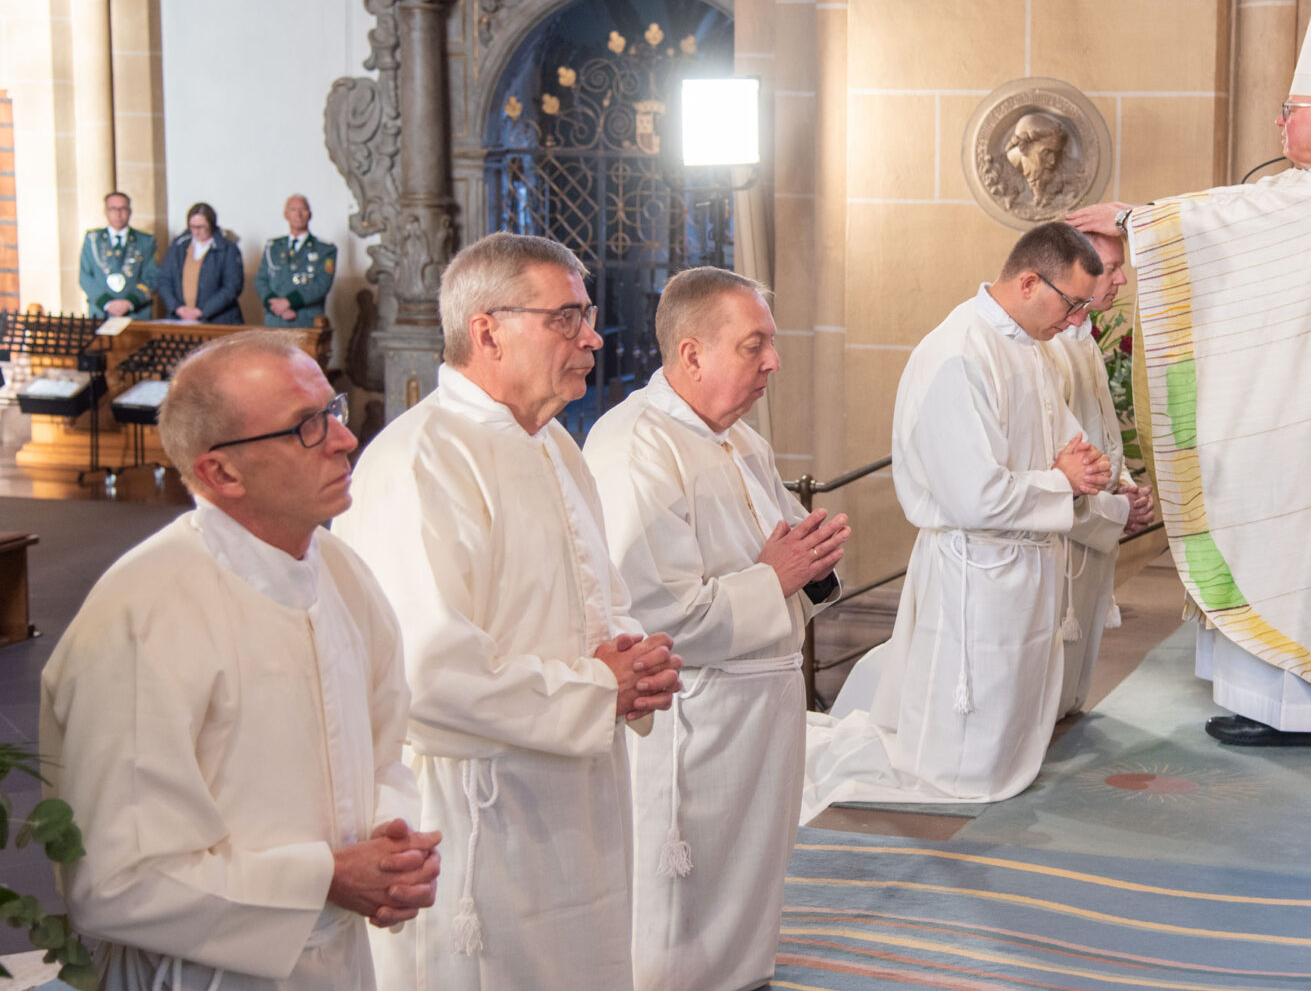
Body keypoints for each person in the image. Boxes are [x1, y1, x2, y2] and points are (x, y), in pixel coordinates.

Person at [332, 232, 683, 990]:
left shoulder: (555, 444)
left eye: (586, 316)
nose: (592, 336)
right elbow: (428, 670)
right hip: (479, 806)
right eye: (565, 318)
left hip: (575, 787)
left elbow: (599, 596)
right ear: (486, 330)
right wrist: (600, 689)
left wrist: (634, 659)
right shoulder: (418, 462)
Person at [39, 330, 440, 990]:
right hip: (205, 972)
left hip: (335, 957)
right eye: (307, 427)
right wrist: (327, 877)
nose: (345, 439)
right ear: (220, 473)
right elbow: (114, 882)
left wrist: (386, 844)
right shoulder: (145, 615)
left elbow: (385, 742)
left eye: (332, 411)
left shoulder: (340, 571)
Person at [1067, 14, 1311, 747]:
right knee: (1276, 541)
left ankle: (1296, 712)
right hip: (1305, 400)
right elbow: (1259, 224)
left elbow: (1253, 220)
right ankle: (1266, 702)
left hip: (1309, 419)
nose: (1281, 123)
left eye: (1290, 112)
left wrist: (1138, 219)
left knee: (1288, 546)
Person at [800, 221, 1123, 823]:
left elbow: (1065, 444)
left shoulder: (1030, 349)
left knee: (1006, 729)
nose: (1077, 320)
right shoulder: (959, 352)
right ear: (1029, 282)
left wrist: (1085, 465)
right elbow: (974, 495)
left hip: (1023, 564)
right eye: (1073, 303)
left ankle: (993, 774)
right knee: (961, 752)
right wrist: (1061, 480)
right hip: (976, 568)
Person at [584, 267, 850, 991]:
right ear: (692, 354)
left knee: (749, 878)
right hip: (696, 718)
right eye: (754, 344)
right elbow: (657, 614)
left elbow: (780, 557)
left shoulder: (738, 441)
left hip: (755, 709)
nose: (774, 361)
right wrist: (779, 576)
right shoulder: (637, 447)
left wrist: (814, 561)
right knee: (679, 907)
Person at [1039, 232, 1156, 718]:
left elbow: (1102, 431)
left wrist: (1126, 485)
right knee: (1049, 683)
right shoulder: (1048, 348)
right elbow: (1052, 458)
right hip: (1064, 535)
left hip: (1093, 520)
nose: (1121, 279)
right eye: (1109, 268)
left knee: (1072, 696)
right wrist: (1116, 510)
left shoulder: (1082, 336)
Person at [257, 194, 338, 329]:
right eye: (293, 210)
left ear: (309, 214)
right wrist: (277, 306)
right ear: (286, 215)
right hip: (275, 320)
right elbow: (261, 280)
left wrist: (289, 302)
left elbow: (322, 284)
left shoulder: (325, 249)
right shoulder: (273, 247)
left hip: (305, 320)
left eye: (303, 210)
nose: (298, 215)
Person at [158, 201, 245, 325]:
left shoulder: (227, 249)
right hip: (180, 319)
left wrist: (202, 311)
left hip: (218, 320)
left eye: (201, 227)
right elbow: (164, 279)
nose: (196, 232)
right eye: (192, 227)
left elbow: (232, 287)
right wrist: (177, 308)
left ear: (211, 224)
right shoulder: (179, 246)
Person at [79, 191, 157, 319]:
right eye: (113, 209)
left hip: (136, 314)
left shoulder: (145, 241)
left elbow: (152, 276)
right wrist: (106, 302)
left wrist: (130, 301)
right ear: (106, 211)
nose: (118, 214)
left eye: (123, 208)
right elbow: (85, 277)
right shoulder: (93, 240)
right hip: (101, 312)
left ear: (130, 211)